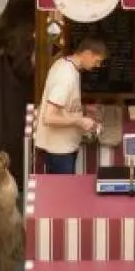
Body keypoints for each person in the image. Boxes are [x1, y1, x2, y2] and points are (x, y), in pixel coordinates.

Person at [33, 34, 108, 174]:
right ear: (87, 53)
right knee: (62, 193)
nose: (97, 66)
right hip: (59, 151)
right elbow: (49, 117)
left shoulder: (65, 64)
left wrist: (82, 110)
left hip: (64, 146)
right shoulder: (66, 77)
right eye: (97, 61)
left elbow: (63, 105)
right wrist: (79, 121)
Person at [0, 0, 36, 191]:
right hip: (18, 93)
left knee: (3, 127)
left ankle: (1, 168)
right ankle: (17, 177)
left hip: (1, 86)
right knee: (17, 132)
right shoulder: (23, 38)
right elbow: (25, 70)